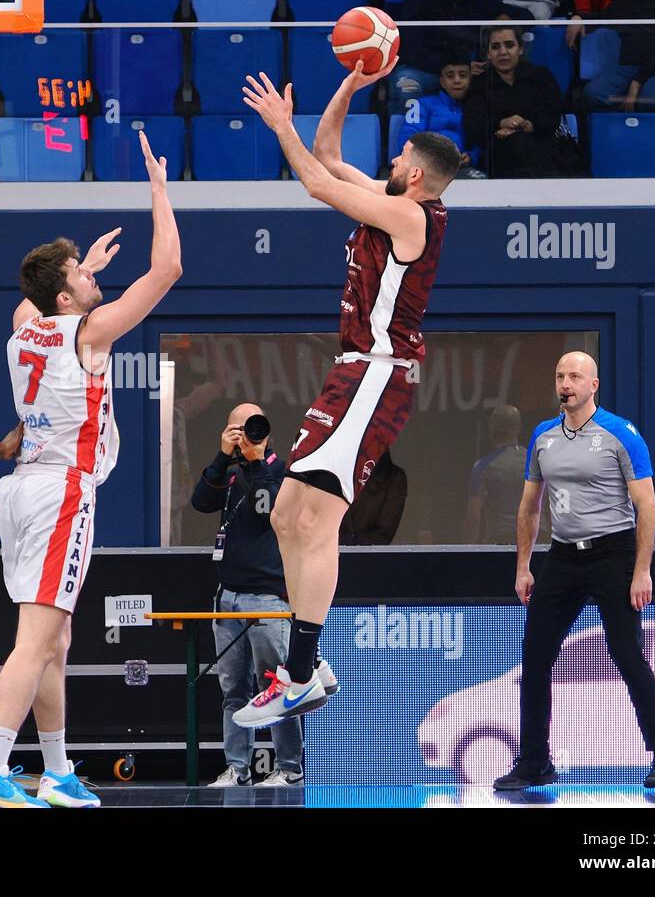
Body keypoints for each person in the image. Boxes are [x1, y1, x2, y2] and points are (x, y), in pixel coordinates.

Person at [0, 132, 182, 808]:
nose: (94, 276)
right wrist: (160, 190)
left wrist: (78, 265)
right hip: (60, 490)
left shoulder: (25, 326)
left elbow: (30, 298)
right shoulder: (88, 332)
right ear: (65, 298)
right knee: (35, 639)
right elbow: (167, 270)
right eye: (83, 273)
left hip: (22, 490)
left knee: (56, 636)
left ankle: (55, 772)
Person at [235, 63, 459, 727]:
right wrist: (352, 82)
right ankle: (312, 658)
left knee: (318, 522)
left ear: (415, 175)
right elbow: (329, 155)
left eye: (399, 156)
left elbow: (312, 179)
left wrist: (280, 124)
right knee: (284, 517)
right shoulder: (394, 200)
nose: (390, 159)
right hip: (352, 373)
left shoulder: (409, 216)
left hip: (379, 374)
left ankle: (300, 673)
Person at [495, 351, 655, 790]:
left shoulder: (620, 434)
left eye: (575, 376)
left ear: (593, 384)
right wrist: (524, 566)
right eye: (560, 376)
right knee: (535, 656)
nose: (566, 383)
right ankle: (536, 761)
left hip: (613, 554)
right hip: (562, 557)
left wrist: (642, 571)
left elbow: (646, 505)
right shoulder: (543, 437)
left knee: (627, 654)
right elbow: (530, 506)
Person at [191, 403, 328, 788]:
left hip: (268, 597)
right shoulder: (230, 474)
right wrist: (222, 456)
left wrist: (253, 462)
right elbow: (201, 501)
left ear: (265, 432)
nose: (244, 436)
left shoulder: (281, 472)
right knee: (232, 690)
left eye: (251, 429)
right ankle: (238, 769)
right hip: (228, 595)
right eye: (236, 428)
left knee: (279, 689)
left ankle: (289, 768)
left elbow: (266, 507)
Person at [389, 0, 522, 114]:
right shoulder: (419, 0)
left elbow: (526, 16)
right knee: (406, 83)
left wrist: (505, 19)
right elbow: (410, 49)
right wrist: (448, 68)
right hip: (427, 70)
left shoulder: (480, 1)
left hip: (465, 73)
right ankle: (406, 140)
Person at [464, 27, 572, 178]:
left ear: (520, 49)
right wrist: (501, 123)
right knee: (516, 142)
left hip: (542, 145)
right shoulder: (479, 84)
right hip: (500, 154)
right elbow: (473, 123)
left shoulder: (540, 76)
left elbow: (551, 112)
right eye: (496, 47)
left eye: (509, 45)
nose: (503, 52)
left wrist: (526, 124)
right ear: (488, 53)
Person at [398, 56, 486, 179]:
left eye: (463, 75)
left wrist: (472, 156)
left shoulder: (477, 107)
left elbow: (482, 141)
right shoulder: (421, 104)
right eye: (450, 76)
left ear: (470, 79)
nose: (457, 80)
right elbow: (408, 138)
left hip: (461, 169)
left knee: (480, 181)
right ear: (442, 82)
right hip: (426, 170)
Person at [463, 405, 526, 544]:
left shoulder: (483, 467)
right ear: (518, 428)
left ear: (491, 429)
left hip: (502, 543)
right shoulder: (536, 462)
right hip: (537, 542)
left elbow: (474, 516)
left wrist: (465, 554)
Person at [338, 449, 408, 545]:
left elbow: (383, 534)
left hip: (368, 555)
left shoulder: (393, 478)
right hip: (332, 554)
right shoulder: (339, 472)